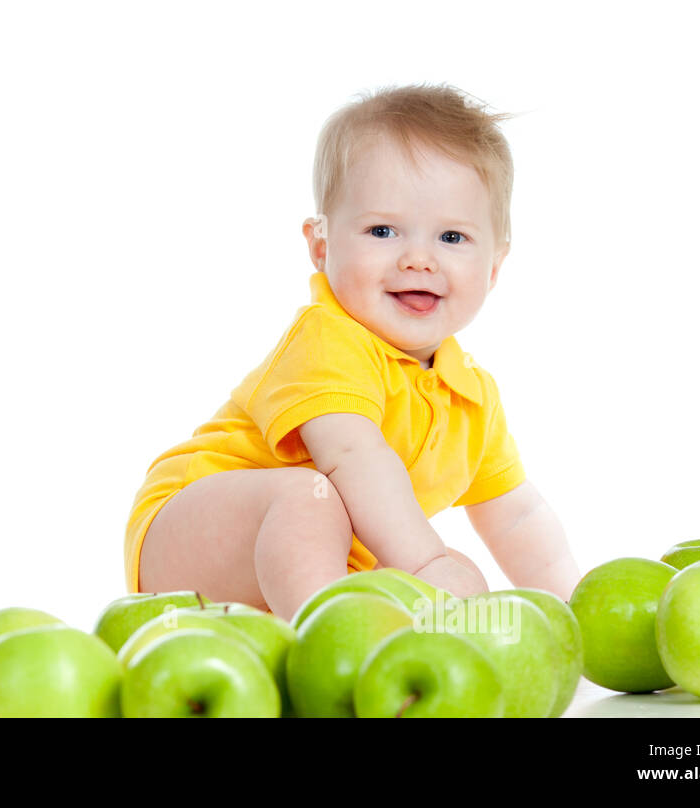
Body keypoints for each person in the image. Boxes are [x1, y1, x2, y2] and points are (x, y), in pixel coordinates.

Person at [124, 83, 580, 621]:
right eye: (382, 230)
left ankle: (347, 642)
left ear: (495, 268)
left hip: (301, 565)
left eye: (452, 238)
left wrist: (576, 607)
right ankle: (326, 645)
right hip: (191, 533)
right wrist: (428, 560)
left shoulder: (471, 394)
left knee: (462, 581)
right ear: (321, 247)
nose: (417, 258)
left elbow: (516, 517)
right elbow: (354, 458)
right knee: (314, 502)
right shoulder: (329, 339)